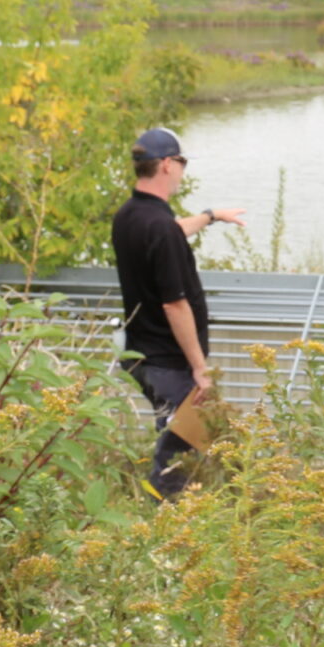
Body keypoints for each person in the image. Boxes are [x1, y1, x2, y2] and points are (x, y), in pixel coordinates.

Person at [110, 128, 245, 499]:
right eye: (182, 163)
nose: (183, 171)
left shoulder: (130, 216)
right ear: (168, 165)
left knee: (181, 444)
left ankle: (175, 522)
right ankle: (159, 536)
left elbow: (169, 232)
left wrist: (210, 216)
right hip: (170, 363)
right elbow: (175, 304)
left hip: (141, 354)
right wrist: (199, 368)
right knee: (177, 460)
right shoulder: (158, 227)